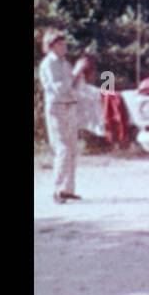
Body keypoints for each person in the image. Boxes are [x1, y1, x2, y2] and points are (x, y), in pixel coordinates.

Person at [39, 30, 90, 204]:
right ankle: (58, 189)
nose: (64, 47)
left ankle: (68, 189)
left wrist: (80, 75)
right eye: (60, 44)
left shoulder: (64, 63)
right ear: (52, 46)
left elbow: (74, 86)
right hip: (57, 108)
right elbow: (59, 88)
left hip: (70, 107)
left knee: (72, 148)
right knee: (62, 149)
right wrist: (75, 73)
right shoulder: (48, 64)